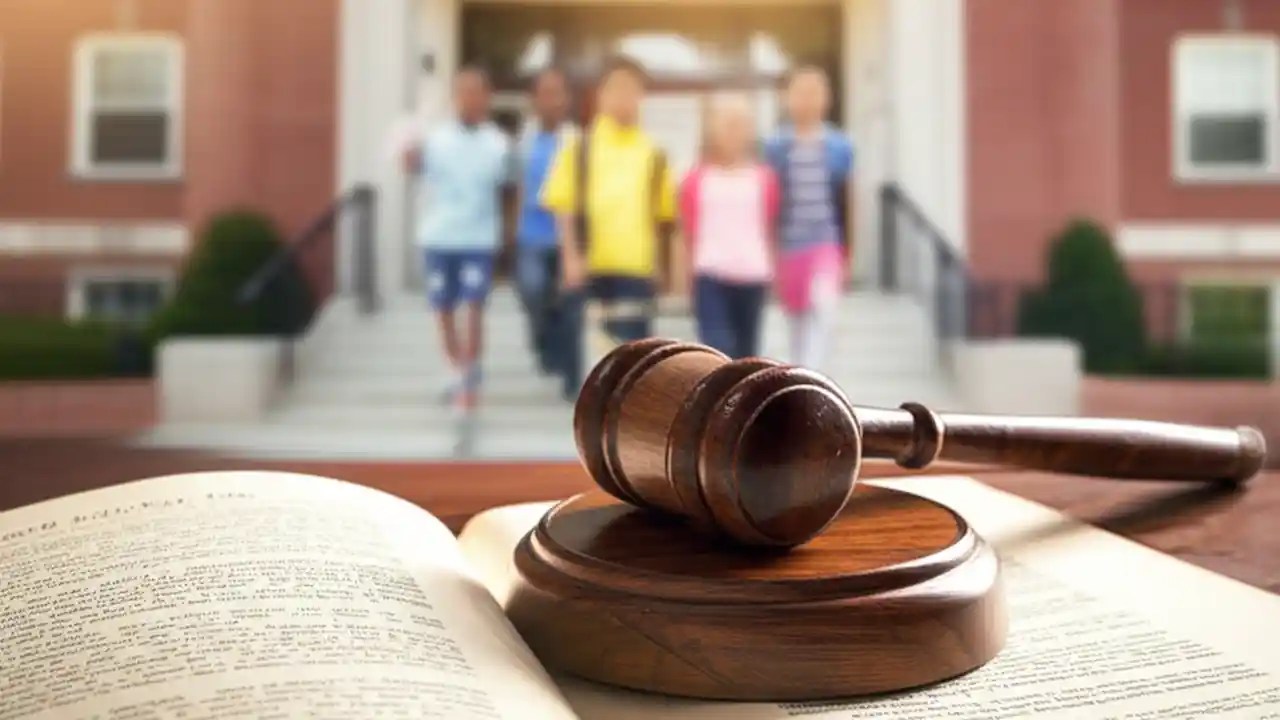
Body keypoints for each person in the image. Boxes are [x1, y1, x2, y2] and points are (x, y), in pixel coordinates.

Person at [542, 56, 677, 400]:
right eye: (615, 89)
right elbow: (565, 207)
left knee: (634, 363)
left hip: (636, 267)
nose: (623, 97)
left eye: (632, 90)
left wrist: (666, 268)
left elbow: (664, 218)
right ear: (599, 95)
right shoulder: (580, 147)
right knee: (589, 361)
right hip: (591, 266)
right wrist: (570, 256)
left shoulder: (654, 153)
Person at [404, 66, 513, 412]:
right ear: (454, 97)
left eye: (476, 91)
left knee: (474, 306)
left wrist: (507, 235)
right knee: (444, 308)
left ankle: (470, 371)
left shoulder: (498, 143)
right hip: (439, 236)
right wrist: (410, 154)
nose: (470, 98)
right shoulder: (436, 139)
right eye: (463, 91)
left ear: (487, 97)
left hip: (478, 238)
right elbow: (414, 167)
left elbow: (508, 189)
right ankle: (454, 366)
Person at [763, 66, 855, 371]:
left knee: (826, 312)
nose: (807, 100)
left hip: (825, 243)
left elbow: (847, 200)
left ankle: (814, 374)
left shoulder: (839, 146)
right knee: (797, 322)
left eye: (814, 92)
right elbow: (770, 204)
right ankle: (800, 376)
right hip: (790, 246)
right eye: (800, 92)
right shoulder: (775, 147)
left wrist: (848, 250)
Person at [679, 93, 780, 359]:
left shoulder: (764, 178)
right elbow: (687, 232)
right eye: (727, 123)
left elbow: (769, 226)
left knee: (747, 355)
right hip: (711, 276)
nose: (733, 131)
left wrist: (774, 271)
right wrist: (682, 279)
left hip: (752, 276)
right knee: (717, 348)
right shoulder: (696, 179)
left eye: (740, 123)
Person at [514, 68, 575, 377]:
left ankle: (559, 354)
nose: (551, 100)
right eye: (545, 93)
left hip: (564, 236)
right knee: (533, 291)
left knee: (563, 302)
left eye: (557, 93)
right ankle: (540, 340)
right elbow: (514, 186)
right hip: (531, 234)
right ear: (535, 99)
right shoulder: (523, 141)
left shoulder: (575, 140)